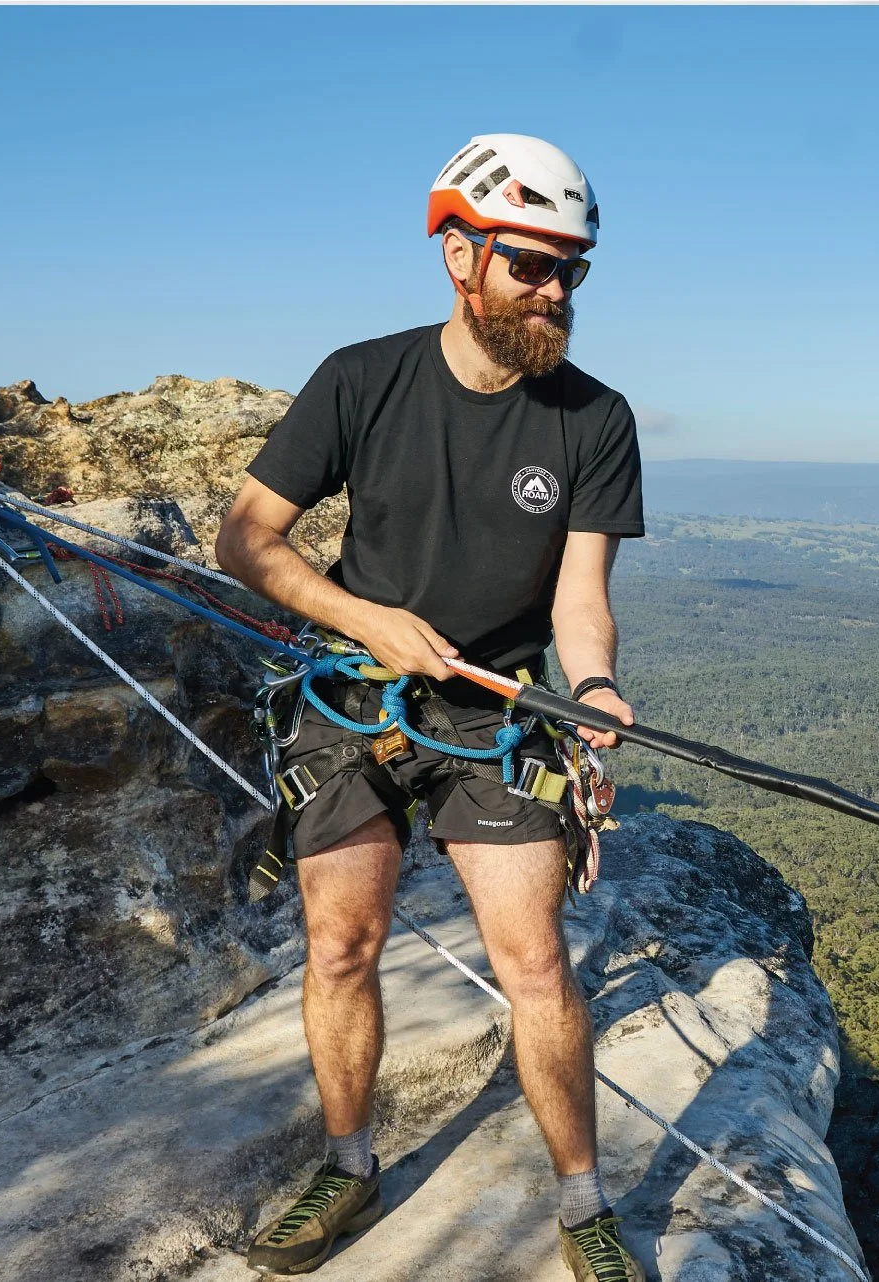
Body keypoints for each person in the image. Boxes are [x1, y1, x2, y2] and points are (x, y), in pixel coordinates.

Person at [216, 134, 647, 1282]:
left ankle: (584, 1201)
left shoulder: (594, 419)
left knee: (537, 963)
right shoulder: (364, 379)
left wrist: (594, 684)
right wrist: (363, 620)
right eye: (531, 264)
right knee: (341, 940)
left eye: (574, 270)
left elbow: (581, 597)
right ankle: (350, 1165)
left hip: (490, 716)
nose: (556, 291)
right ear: (460, 255)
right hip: (357, 697)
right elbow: (245, 538)